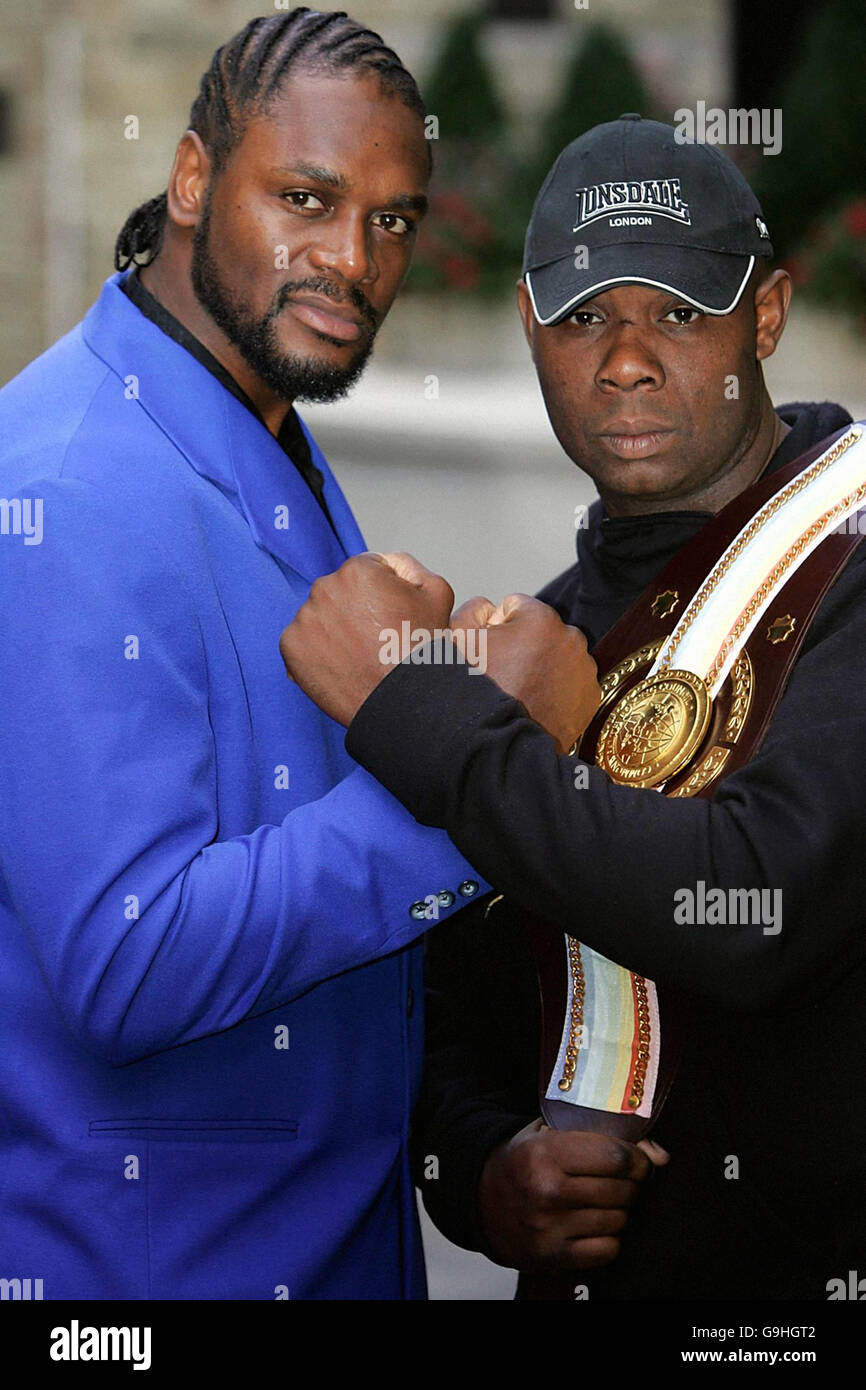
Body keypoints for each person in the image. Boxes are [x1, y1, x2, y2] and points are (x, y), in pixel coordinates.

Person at [0, 7, 646, 1303]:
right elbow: (131, 963)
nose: (350, 259)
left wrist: (474, 1160)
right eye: (304, 196)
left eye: (393, 218)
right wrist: (478, 785)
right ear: (190, 179)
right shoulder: (66, 486)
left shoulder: (246, 412)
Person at [280, 116, 866, 1299]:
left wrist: (412, 712)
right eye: (585, 316)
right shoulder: (540, 630)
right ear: (530, 332)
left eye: (679, 311)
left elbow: (755, 909)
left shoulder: (847, 562)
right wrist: (482, 1166)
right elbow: (437, 1006)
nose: (626, 359)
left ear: (765, 315)